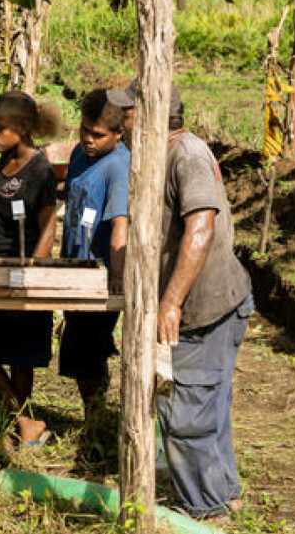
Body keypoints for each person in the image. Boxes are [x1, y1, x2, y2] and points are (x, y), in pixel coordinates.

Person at [110, 81, 254, 520]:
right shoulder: (159, 155)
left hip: (204, 309)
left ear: (153, 115)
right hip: (210, 304)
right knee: (208, 405)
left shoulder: (186, 156)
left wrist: (171, 302)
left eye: (128, 114)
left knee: (186, 411)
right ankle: (223, 494)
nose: (123, 123)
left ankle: (205, 511)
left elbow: (200, 230)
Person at [0, 91, 61, 447]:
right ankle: (25, 420)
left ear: (23, 129)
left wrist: (33, 274)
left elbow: (48, 225)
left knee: (22, 357)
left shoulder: (39, 168)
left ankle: (22, 426)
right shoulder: (2, 159)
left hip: (24, 271)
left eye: (0, 128)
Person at [58, 89, 130, 442]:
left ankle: (97, 420)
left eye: (98, 135)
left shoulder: (118, 165)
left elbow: (119, 222)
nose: (88, 139)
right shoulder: (78, 154)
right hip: (75, 266)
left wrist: (116, 276)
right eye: (84, 130)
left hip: (99, 272)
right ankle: (96, 417)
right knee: (82, 346)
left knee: (87, 347)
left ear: (119, 134)